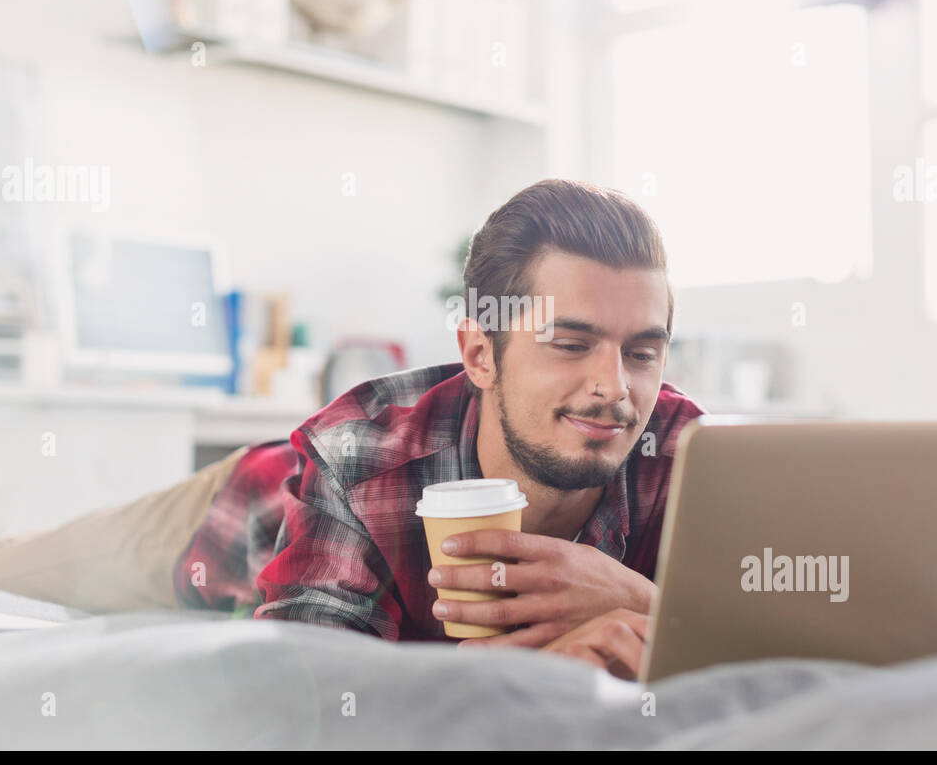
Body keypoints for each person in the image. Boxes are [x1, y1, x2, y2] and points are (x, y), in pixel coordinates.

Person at [174, 178, 704, 678]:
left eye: (641, 353)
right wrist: (528, 682)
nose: (613, 387)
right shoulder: (357, 458)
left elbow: (778, 629)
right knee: (92, 558)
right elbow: (311, 699)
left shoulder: (697, 459)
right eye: (569, 345)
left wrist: (647, 605)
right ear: (479, 354)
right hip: (243, 503)